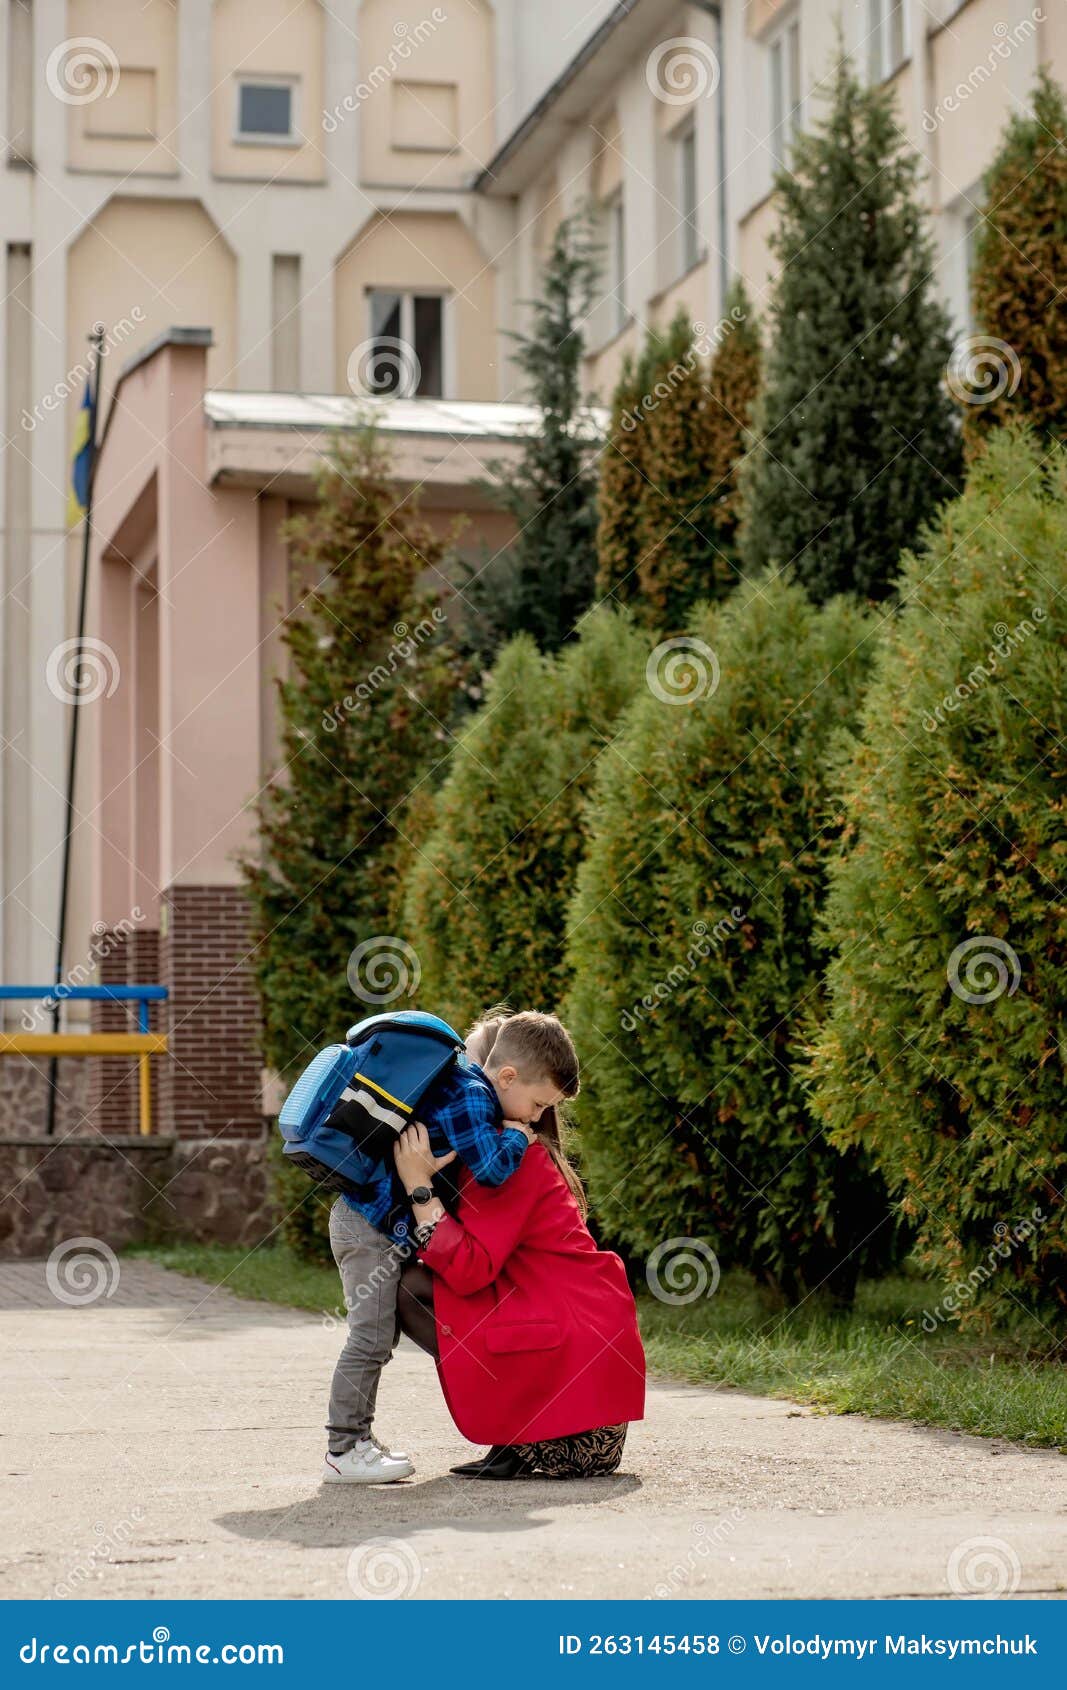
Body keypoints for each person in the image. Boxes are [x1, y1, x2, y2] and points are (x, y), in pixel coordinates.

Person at [323, 1009, 579, 1484]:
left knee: (377, 1337)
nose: (539, 1117)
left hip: (375, 1225)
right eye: (539, 1105)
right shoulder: (474, 1099)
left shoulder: (462, 1086)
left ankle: (356, 1440)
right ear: (506, 1075)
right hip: (368, 1229)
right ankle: (344, 1447)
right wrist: (519, 1138)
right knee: (370, 1338)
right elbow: (493, 1170)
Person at [393, 1010, 646, 1480]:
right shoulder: (513, 1149)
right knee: (416, 1284)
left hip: (576, 1433)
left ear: (504, 1076)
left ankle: (521, 1434)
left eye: (471, 1068)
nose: (462, 1084)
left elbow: (469, 1269)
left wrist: (418, 1186)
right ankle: (514, 1431)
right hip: (585, 1390)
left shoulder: (515, 1162)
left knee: (410, 1291)